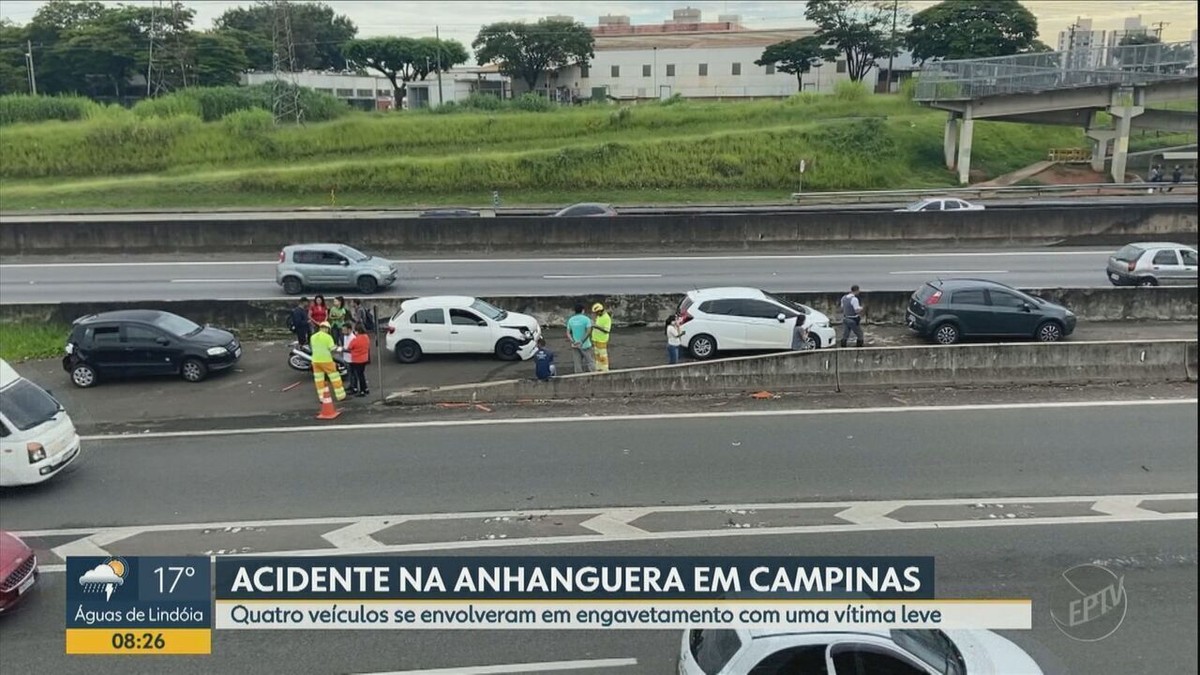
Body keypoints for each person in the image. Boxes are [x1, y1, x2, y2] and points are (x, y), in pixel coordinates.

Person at [309, 321, 347, 403]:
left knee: (319, 381)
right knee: (335, 378)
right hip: (327, 361)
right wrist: (341, 349)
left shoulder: (313, 337)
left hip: (315, 361)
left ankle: (322, 398)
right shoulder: (328, 337)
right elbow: (332, 349)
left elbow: (312, 348)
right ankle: (341, 396)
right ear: (327, 329)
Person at [565, 303, 595, 373]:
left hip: (575, 346)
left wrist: (573, 341)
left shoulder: (571, 320)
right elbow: (588, 331)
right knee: (590, 362)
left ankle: (579, 379)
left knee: (577, 365)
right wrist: (581, 341)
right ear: (583, 310)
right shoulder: (586, 319)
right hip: (586, 345)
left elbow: (568, 333)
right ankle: (595, 376)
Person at [347, 322, 371, 397]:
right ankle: (365, 389)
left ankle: (362, 391)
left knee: (359, 375)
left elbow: (350, 347)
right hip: (364, 358)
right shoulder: (366, 337)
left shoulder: (356, 339)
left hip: (357, 360)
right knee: (362, 374)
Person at [591, 302, 613, 372]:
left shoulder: (606, 318)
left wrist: (596, 326)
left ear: (600, 311)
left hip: (602, 340)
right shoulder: (599, 317)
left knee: (603, 356)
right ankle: (599, 369)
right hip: (596, 340)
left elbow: (607, 330)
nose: (596, 314)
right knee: (597, 356)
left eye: (597, 312)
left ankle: (605, 370)